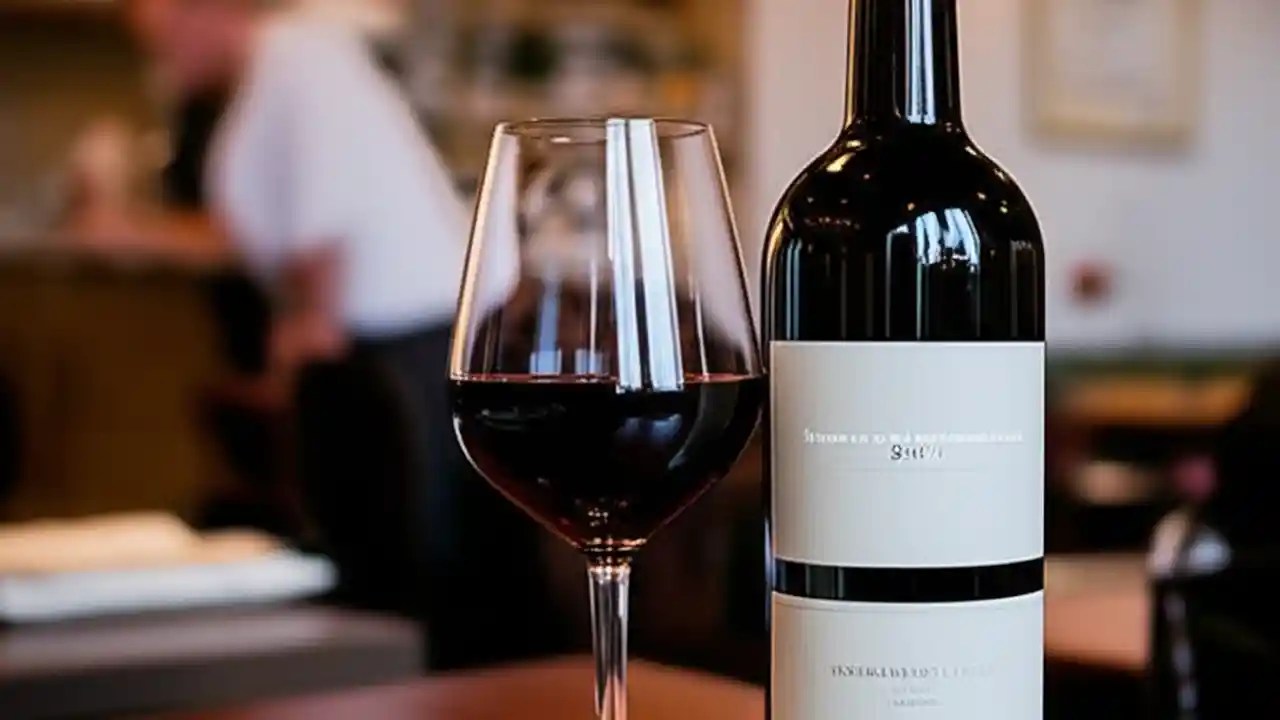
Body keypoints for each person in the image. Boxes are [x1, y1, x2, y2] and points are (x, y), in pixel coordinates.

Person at [125, 0, 551, 667]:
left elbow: (325, 212)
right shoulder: (264, 77)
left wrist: (306, 324)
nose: (161, 56)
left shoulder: (299, 54)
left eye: (165, 37)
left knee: (424, 580)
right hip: (391, 346)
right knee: (414, 574)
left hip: (404, 347)